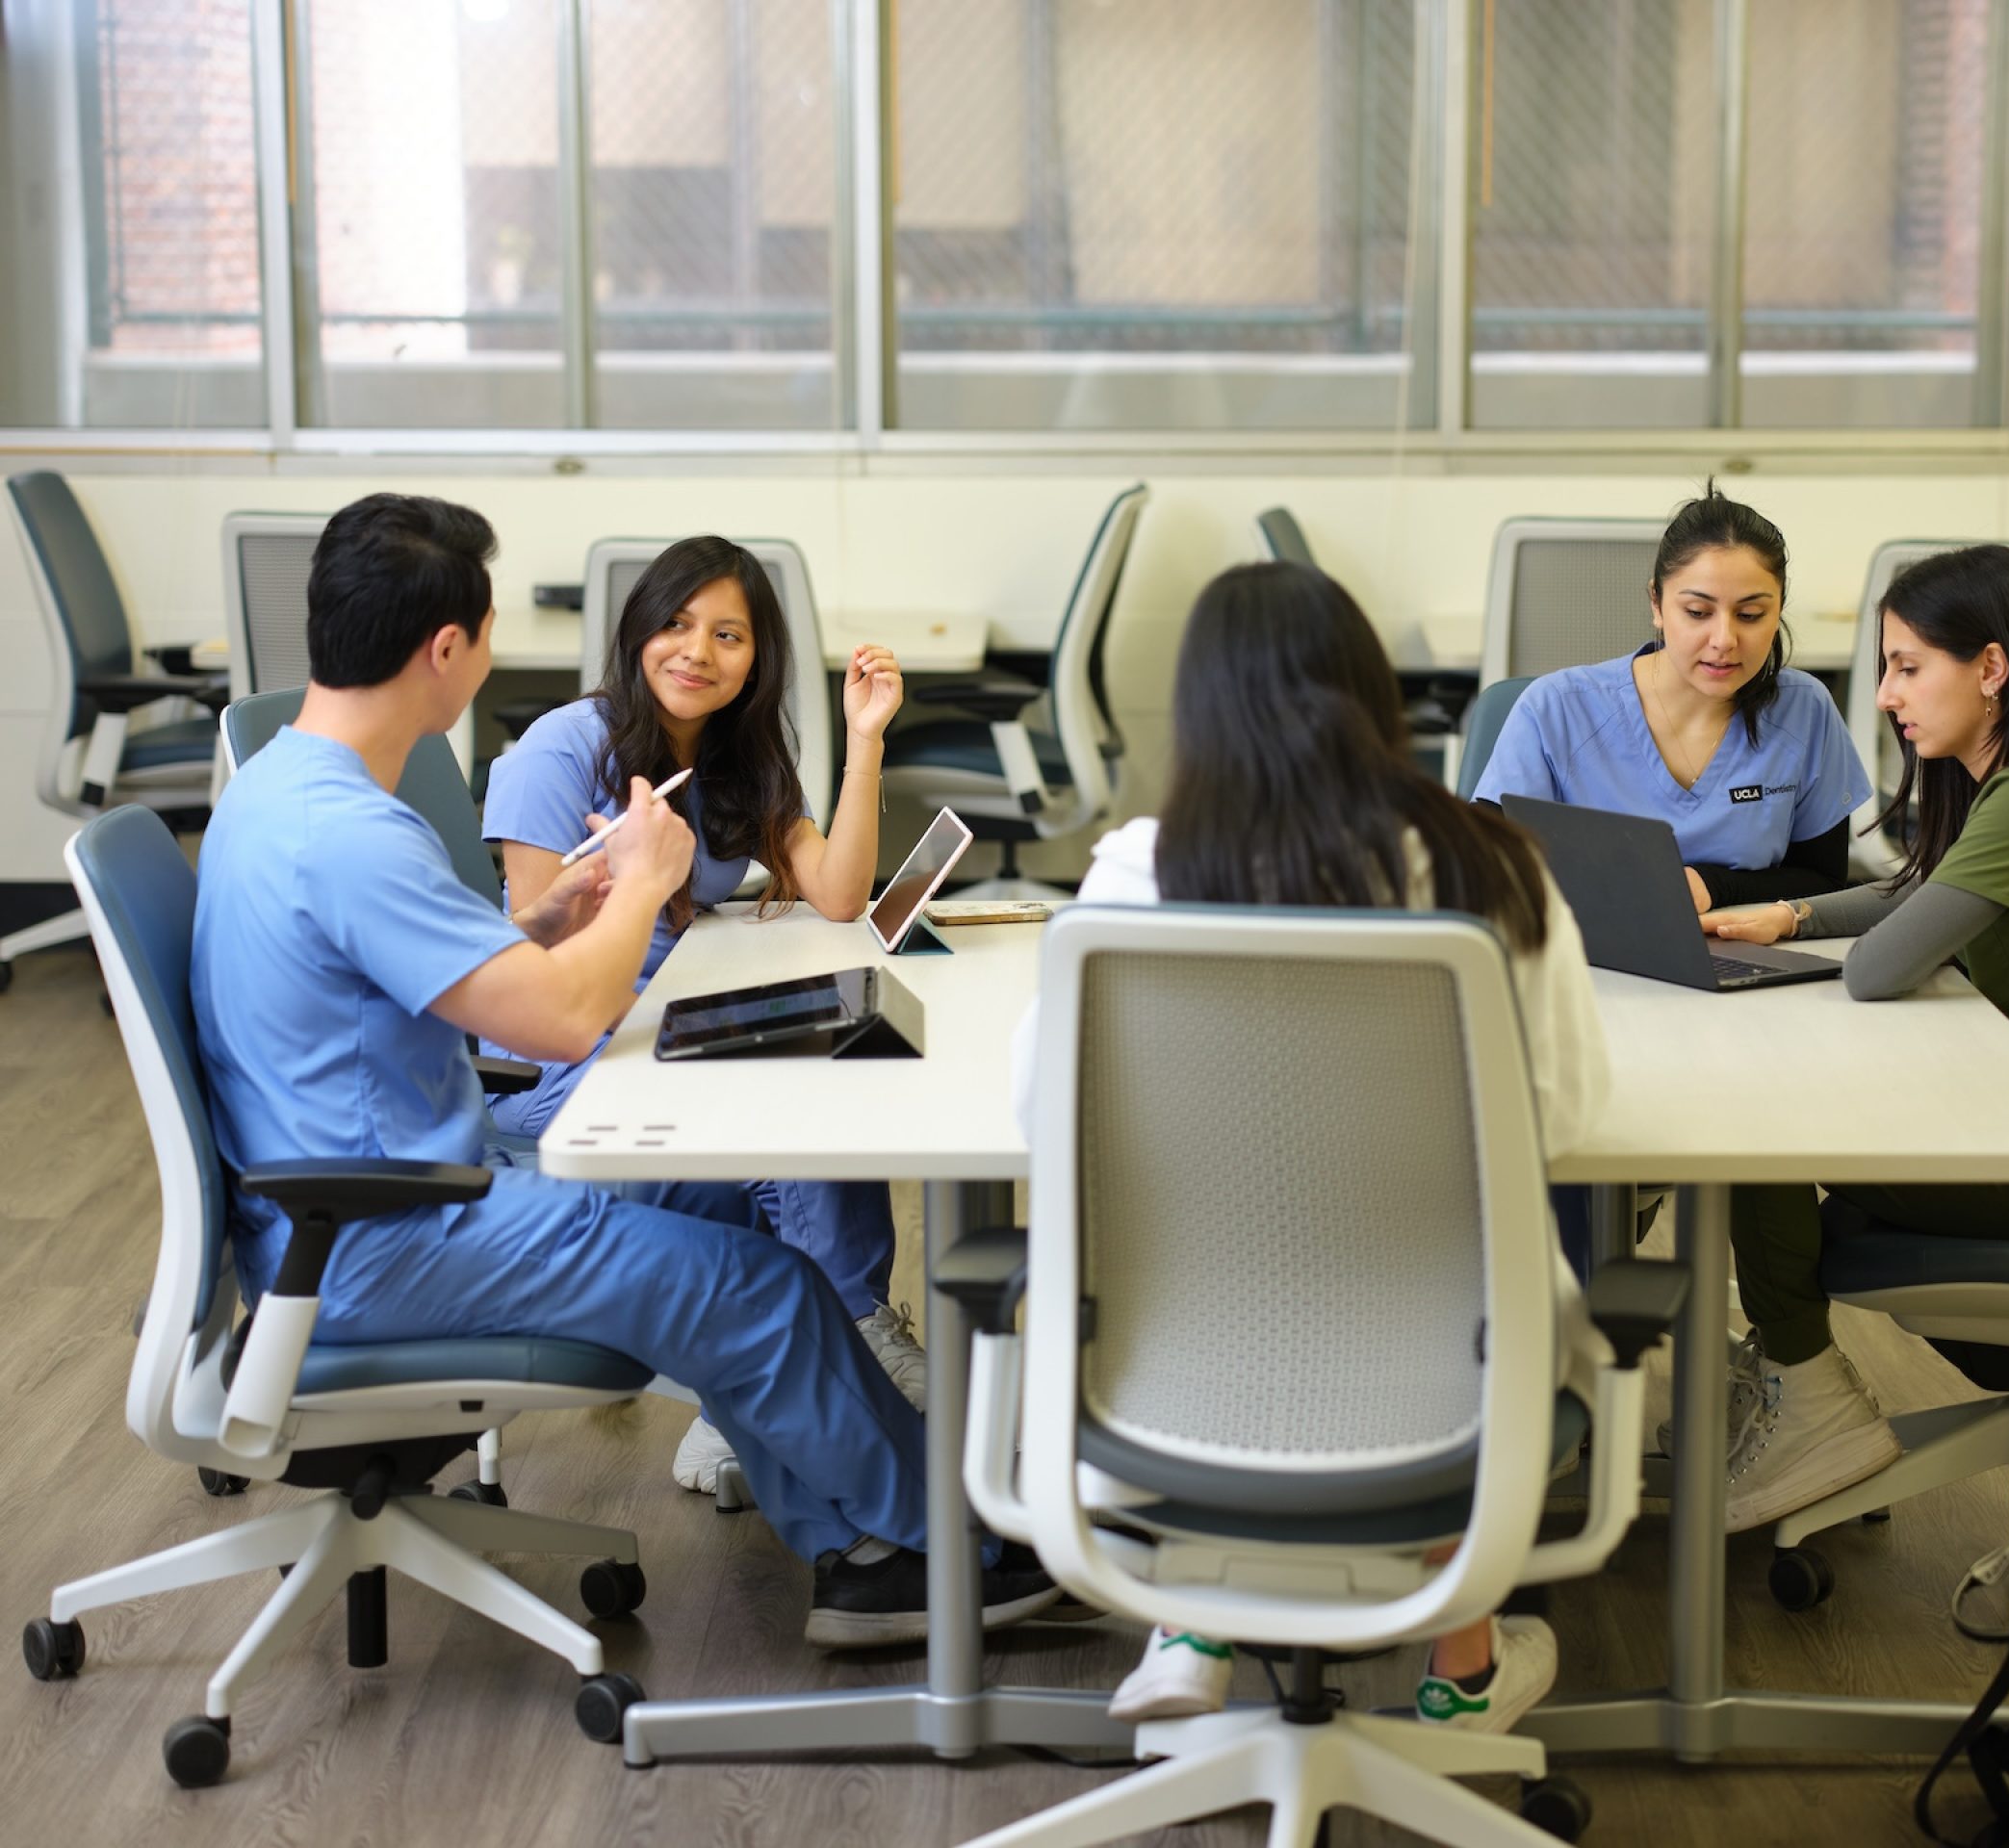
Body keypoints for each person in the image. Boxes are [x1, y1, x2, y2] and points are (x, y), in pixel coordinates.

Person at [191, 494, 1055, 1647]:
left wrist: (541, 921)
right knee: (760, 1288)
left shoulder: (288, 795)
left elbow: (419, 978)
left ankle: (860, 1552)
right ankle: (953, 1550)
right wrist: (648, 877)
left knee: (750, 1232)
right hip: (388, 1235)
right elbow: (553, 1029)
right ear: (448, 650)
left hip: (369, 1203)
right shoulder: (351, 833)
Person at [1011, 561, 1612, 1737]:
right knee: (1442, 1302)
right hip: (1444, 1386)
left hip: (1161, 1385)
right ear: (1374, 697)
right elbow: (1572, 1118)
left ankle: (1191, 1621)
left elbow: (1042, 1118)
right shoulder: (1496, 869)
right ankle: (1462, 1675)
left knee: (1232, 1280)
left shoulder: (1136, 876)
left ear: (1197, 709)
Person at [1693, 544, 2009, 1531]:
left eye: (1905, 666)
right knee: (1782, 1121)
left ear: (1992, 667)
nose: (1886, 695)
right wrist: (1790, 920)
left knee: (1750, 1131)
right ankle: (1791, 1372)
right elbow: (1922, 894)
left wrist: (1825, 935)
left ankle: (1809, 1398)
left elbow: (1888, 963)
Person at [482, 536, 921, 1497]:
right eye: (677, 625)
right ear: (637, 632)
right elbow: (536, 961)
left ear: (756, 661)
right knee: (775, 1114)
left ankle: (795, 1378)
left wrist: (864, 741)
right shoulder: (560, 752)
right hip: (563, 1059)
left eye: (729, 635)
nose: (698, 652)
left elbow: (840, 893)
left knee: (836, 1066)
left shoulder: (731, 759)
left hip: (664, 1027)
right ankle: (848, 1354)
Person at [1472, 481, 1869, 912]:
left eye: (1751, 615)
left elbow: (1825, 879)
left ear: (1778, 611)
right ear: (1657, 604)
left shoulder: (1805, 710)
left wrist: (1712, 886)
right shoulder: (1556, 709)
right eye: (1698, 613)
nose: (1724, 639)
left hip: (1753, 960)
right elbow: (1489, 874)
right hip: (1594, 962)